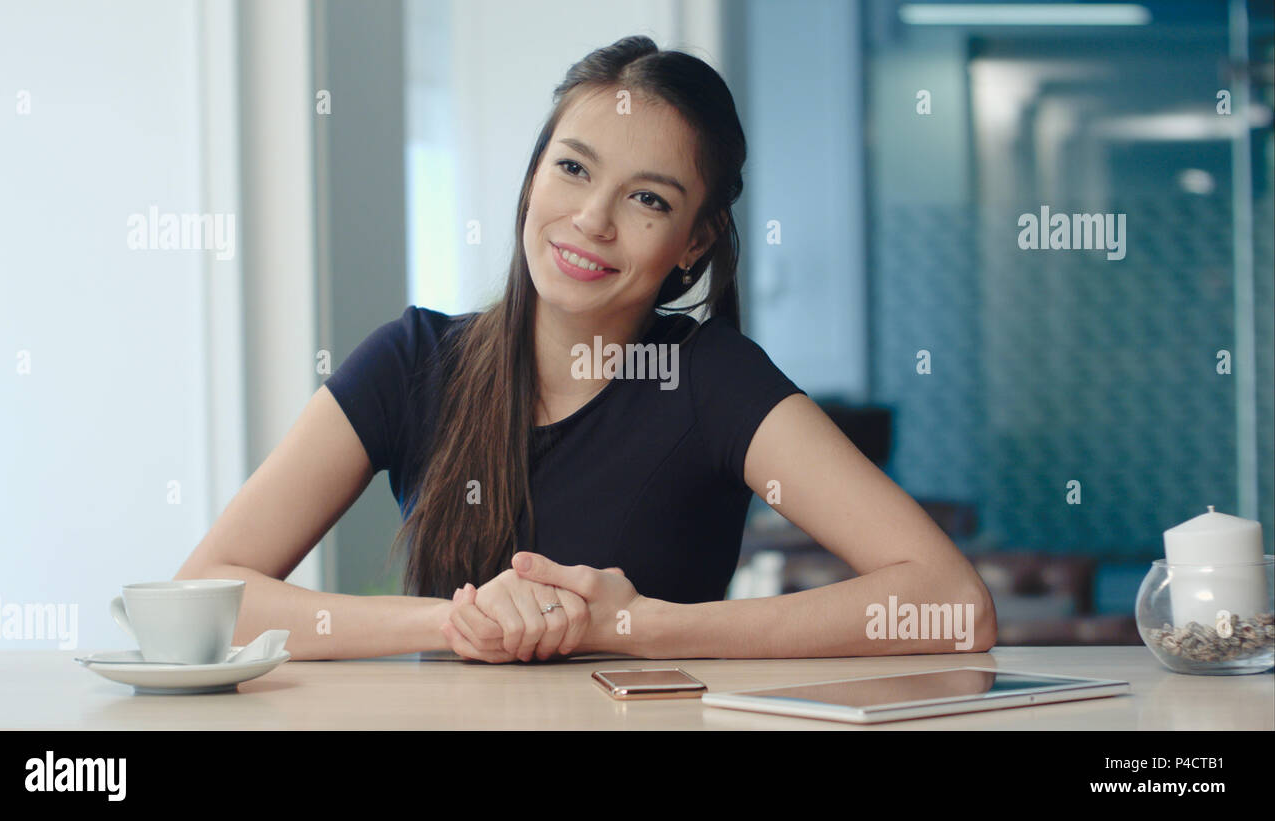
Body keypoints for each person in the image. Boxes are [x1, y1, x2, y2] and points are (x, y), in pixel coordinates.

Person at [176, 36, 996, 663]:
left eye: (647, 198)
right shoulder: (412, 360)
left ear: (694, 240)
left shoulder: (713, 379)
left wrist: (637, 625)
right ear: (534, 177)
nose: (592, 219)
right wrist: (456, 621)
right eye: (572, 168)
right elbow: (205, 599)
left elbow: (952, 603)